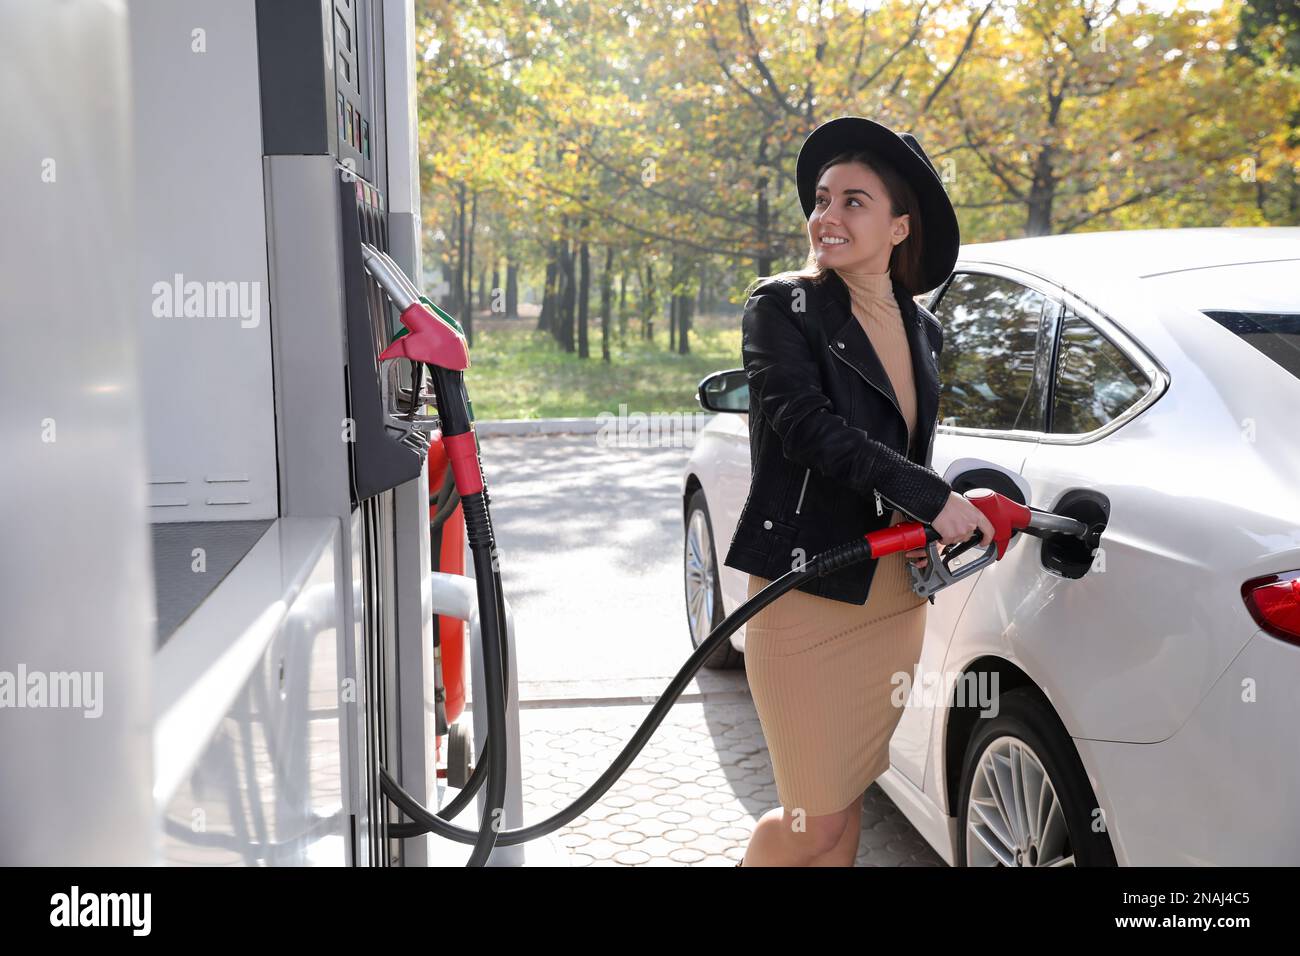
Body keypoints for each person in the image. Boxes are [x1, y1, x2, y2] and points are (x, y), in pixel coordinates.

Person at [725, 117, 994, 867]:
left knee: (843, 816)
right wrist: (930, 495)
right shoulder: (783, 307)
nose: (827, 217)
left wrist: (943, 500)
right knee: (811, 821)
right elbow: (805, 425)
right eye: (820, 200)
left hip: (891, 601)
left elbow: (904, 441)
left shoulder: (923, 329)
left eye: (853, 201)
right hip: (807, 589)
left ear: (898, 226)